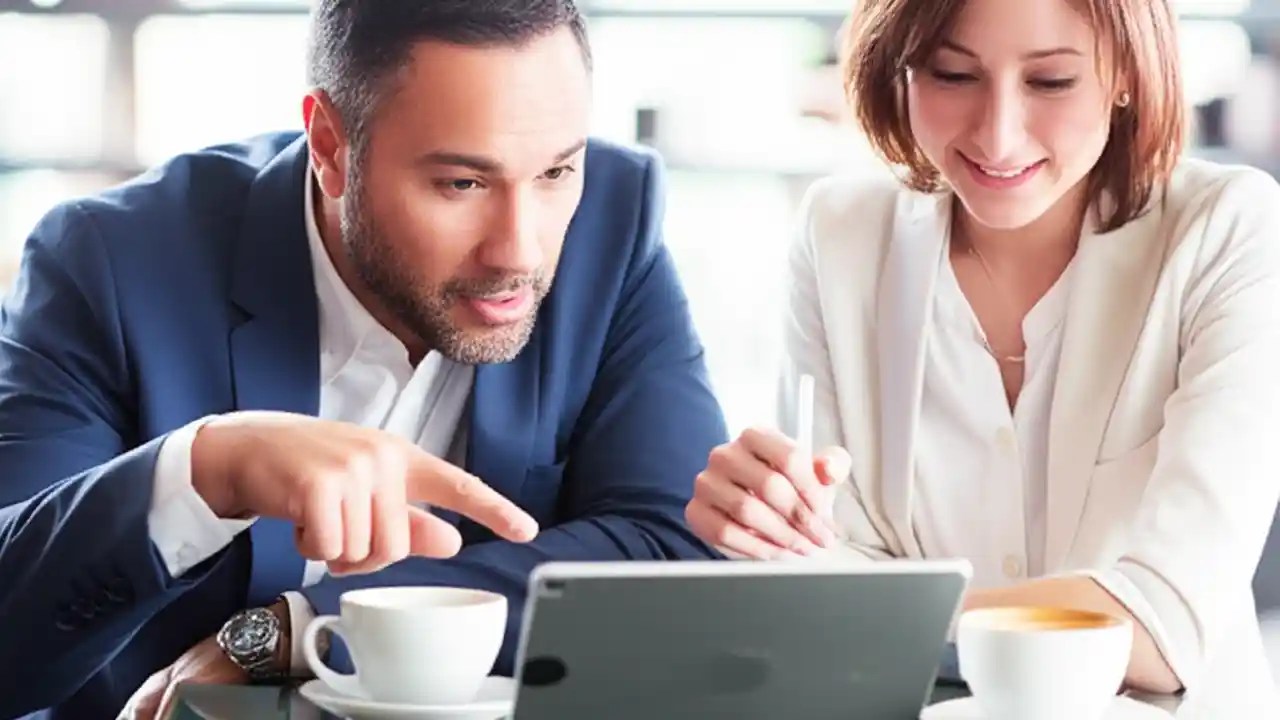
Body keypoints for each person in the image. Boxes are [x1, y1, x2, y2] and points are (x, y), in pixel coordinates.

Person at [0, 1, 727, 717]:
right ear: (330, 147)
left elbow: (673, 550)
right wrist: (212, 469)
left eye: (556, 173)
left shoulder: (615, 224)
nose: (520, 251)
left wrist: (298, 630)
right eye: (462, 184)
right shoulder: (111, 263)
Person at [686, 0, 1280, 716]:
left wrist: (856, 608)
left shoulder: (1228, 228)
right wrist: (768, 526)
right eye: (952, 74)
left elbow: (1165, 623)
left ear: (1126, 74)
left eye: (1051, 82)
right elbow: (815, 565)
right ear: (900, 67)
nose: (998, 136)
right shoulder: (842, 232)